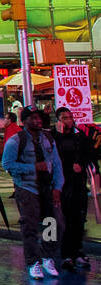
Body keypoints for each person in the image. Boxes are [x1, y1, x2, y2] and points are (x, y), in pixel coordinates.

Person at [2, 109, 65, 280]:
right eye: (33, 118)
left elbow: (57, 163)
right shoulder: (16, 141)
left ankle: (47, 257)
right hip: (27, 188)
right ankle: (33, 262)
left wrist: (58, 187)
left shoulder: (48, 138)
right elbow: (7, 164)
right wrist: (33, 168)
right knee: (29, 226)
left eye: (39, 118)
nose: (38, 121)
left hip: (48, 188)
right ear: (25, 121)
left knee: (53, 223)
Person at [51, 108, 95, 271]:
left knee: (78, 219)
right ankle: (65, 254)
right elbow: (54, 156)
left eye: (70, 117)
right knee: (63, 221)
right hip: (62, 184)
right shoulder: (54, 137)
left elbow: (89, 154)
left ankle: (77, 251)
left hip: (78, 183)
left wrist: (82, 166)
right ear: (58, 120)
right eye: (64, 118)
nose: (68, 120)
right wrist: (60, 134)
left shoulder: (79, 135)